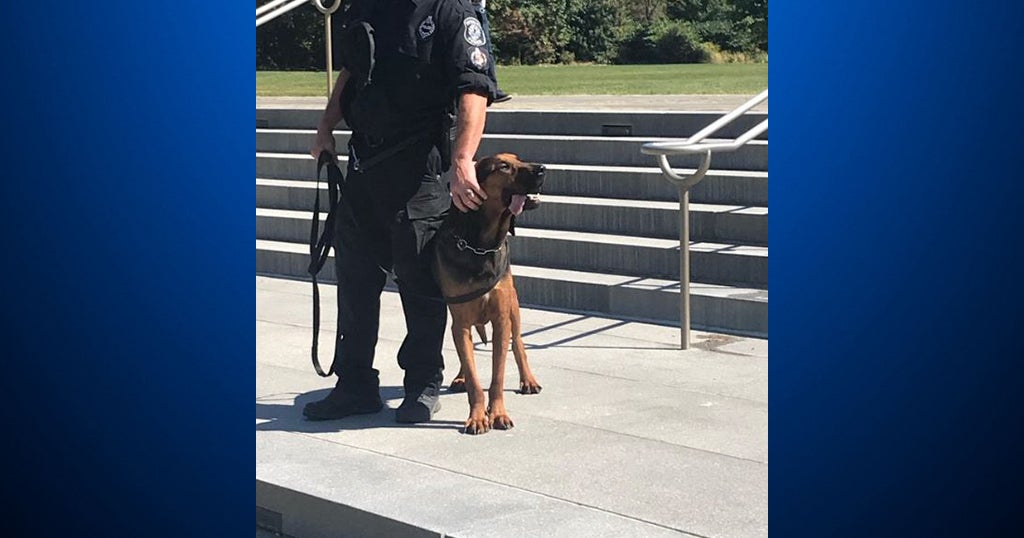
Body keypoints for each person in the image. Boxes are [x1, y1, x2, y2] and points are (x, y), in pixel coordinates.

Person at [303, 0, 497, 423]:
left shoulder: (451, 11)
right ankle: (354, 385)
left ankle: (423, 383)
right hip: (363, 168)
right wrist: (325, 128)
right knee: (354, 282)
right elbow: (352, 73)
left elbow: (473, 88)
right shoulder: (367, 6)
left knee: (420, 283)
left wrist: (463, 159)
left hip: (419, 170)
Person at [470, 0, 511, 103]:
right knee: (481, 50)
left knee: (487, 51)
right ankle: (489, 90)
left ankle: (491, 89)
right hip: (472, 10)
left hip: (478, 9)